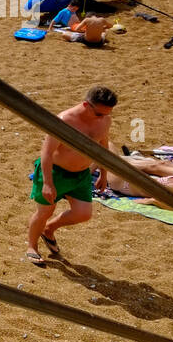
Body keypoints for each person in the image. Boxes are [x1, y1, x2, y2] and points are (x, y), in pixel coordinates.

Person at [25, 85, 117, 265]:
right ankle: (32, 246)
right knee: (44, 211)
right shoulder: (65, 120)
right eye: (99, 114)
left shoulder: (105, 120)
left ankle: (49, 229)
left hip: (81, 174)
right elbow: (47, 153)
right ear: (86, 105)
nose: (103, 118)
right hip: (55, 172)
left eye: (107, 114)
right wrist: (47, 183)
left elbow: (103, 148)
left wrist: (103, 173)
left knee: (83, 214)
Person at [104, 156, 173, 205]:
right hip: (134, 180)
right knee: (108, 151)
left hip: (124, 183)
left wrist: (152, 201)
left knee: (105, 155)